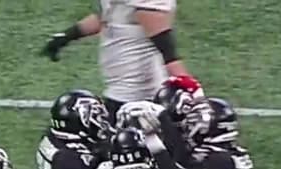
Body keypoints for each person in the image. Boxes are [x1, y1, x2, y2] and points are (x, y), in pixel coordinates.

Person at [40, 0, 190, 118]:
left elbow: (166, 48)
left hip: (139, 92)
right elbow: (109, 17)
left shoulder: (147, 6)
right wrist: (68, 36)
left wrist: (188, 87)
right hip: (120, 88)